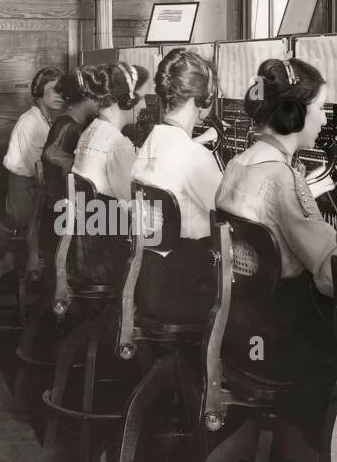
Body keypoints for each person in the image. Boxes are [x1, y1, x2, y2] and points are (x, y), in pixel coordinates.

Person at [215, 56, 337, 381]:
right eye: (321, 108)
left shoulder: (236, 166)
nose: (325, 120)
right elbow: (329, 277)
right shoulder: (282, 179)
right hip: (284, 337)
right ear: (295, 114)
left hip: (241, 329)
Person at [130, 48, 222, 324]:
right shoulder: (194, 156)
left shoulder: (150, 144)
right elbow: (233, 212)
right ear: (201, 97)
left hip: (145, 280)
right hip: (182, 289)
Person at [68, 62, 147, 284]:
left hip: (89, 242)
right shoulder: (117, 143)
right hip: (109, 248)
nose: (141, 107)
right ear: (127, 100)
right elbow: (133, 204)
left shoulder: (90, 132)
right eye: (139, 98)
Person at [37, 67, 101, 254]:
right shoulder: (73, 130)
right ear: (86, 98)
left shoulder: (63, 122)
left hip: (54, 213)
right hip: (66, 218)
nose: (100, 102)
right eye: (97, 97)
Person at [3, 67, 64, 228]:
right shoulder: (30, 122)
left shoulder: (42, 119)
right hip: (26, 197)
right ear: (39, 92)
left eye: (63, 91)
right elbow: (40, 170)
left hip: (30, 190)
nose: (60, 95)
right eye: (55, 90)